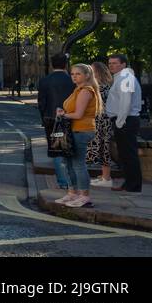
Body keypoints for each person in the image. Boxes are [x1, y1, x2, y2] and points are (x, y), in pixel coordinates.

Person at [53, 64, 103, 207]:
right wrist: (63, 112)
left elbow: (79, 114)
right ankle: (72, 193)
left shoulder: (86, 91)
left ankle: (84, 196)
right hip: (74, 130)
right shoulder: (78, 90)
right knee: (68, 163)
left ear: (87, 75)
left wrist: (63, 115)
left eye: (78, 74)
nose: (74, 76)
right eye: (73, 74)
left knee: (78, 164)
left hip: (81, 130)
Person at [37, 53, 76, 192]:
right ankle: (73, 181)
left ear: (52, 64)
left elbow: (41, 103)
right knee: (71, 150)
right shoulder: (72, 80)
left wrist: (44, 118)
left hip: (51, 119)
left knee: (57, 150)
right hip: (71, 118)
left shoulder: (44, 81)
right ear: (65, 64)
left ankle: (63, 182)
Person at [106, 53, 143, 193]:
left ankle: (133, 186)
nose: (111, 66)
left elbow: (126, 102)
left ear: (123, 64)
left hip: (126, 120)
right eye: (110, 63)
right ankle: (129, 183)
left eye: (115, 63)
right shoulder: (121, 77)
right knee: (124, 155)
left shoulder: (126, 78)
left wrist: (120, 122)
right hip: (123, 120)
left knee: (129, 154)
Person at [85, 62, 114, 186]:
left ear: (98, 72)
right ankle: (104, 176)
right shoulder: (105, 86)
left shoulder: (99, 87)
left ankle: (106, 178)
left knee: (103, 148)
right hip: (103, 121)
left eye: (92, 70)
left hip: (100, 121)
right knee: (103, 148)